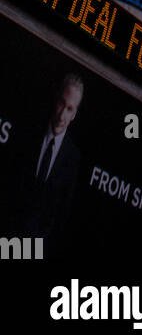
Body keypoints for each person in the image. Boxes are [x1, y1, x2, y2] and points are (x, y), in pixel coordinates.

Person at [18, 72, 84, 255]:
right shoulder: (29, 132)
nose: (62, 115)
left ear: (74, 114)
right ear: (56, 100)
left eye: (69, 109)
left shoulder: (73, 159)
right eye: (61, 104)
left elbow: (62, 219)